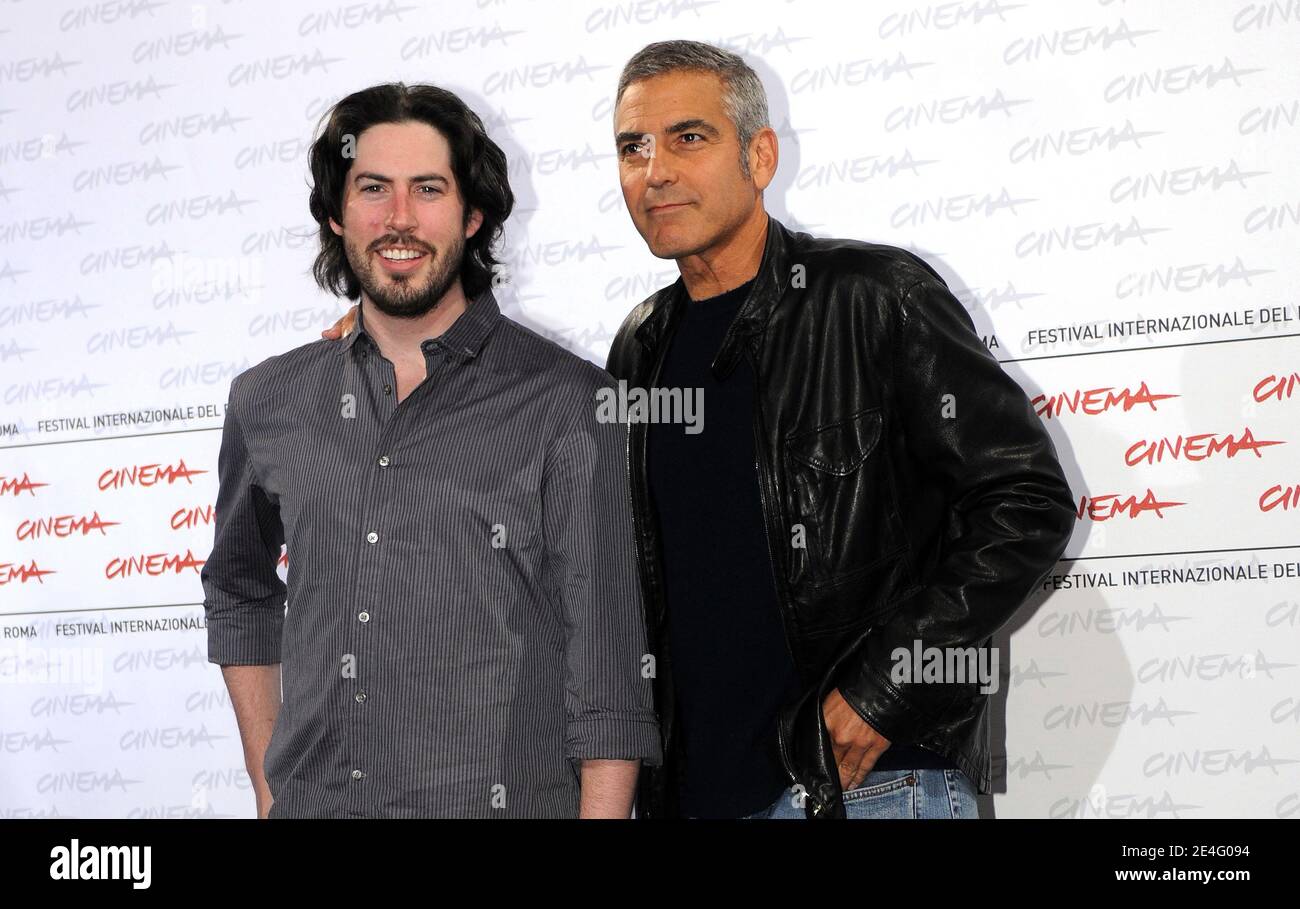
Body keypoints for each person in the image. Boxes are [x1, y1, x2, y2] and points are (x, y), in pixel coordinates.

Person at [323, 43, 1076, 820]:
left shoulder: (872, 297)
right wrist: (397, 339)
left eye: (688, 137)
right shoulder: (640, 345)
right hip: (693, 798)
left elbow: (1026, 497)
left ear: (760, 154)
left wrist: (884, 690)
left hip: (865, 788)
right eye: (632, 148)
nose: (655, 172)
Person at [203, 82, 660, 819]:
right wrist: (268, 786)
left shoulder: (568, 401)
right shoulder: (268, 399)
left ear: (473, 214)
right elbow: (239, 589)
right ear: (335, 213)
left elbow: (607, 659)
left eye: (429, 189)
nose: (400, 218)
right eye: (373, 188)